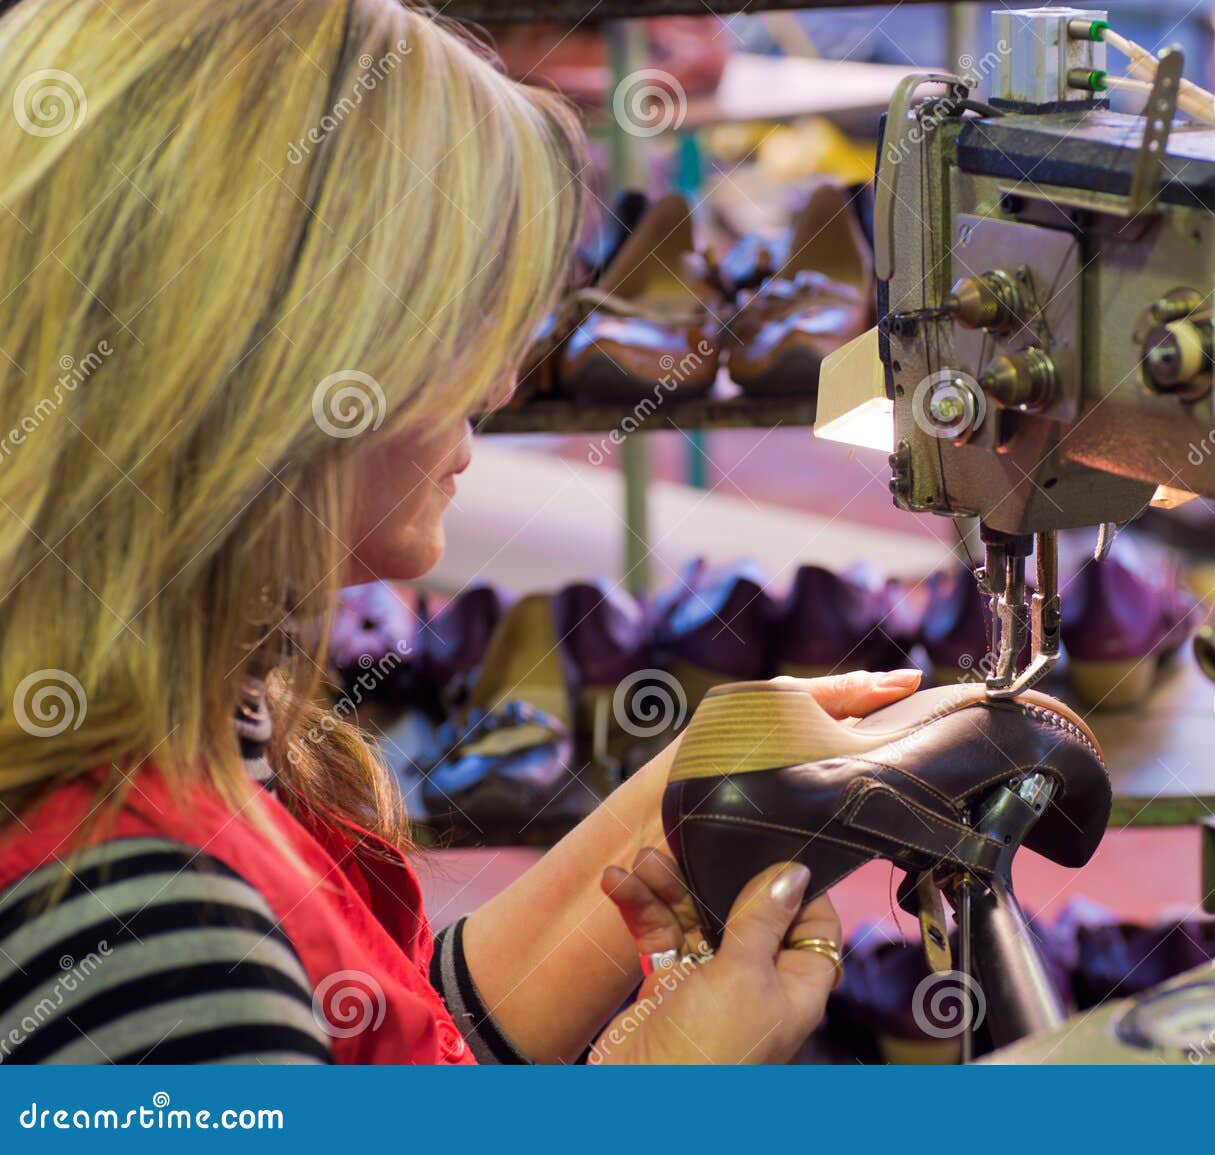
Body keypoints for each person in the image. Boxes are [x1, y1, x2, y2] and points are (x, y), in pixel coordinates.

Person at [0, 0, 921, 1064]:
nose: (500, 383)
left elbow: (384, 1043)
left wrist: (693, 793)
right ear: (272, 355)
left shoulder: (179, 738)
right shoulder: (140, 940)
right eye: (458, 318)